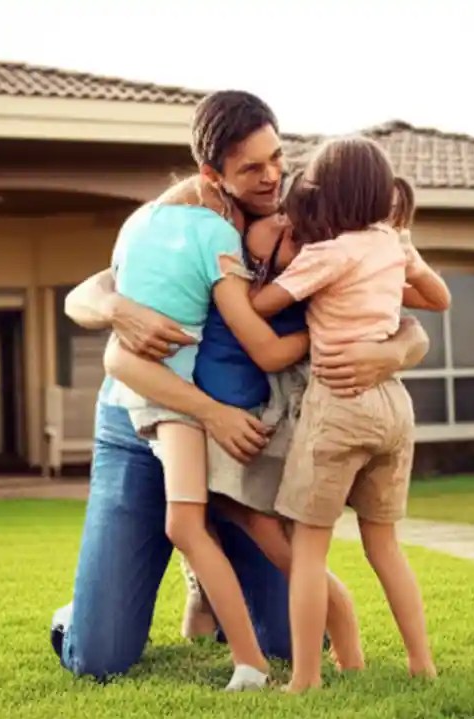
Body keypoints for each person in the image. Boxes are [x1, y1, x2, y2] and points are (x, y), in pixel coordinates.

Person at [49, 90, 433, 682]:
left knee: (284, 639)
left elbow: (396, 308)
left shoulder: (311, 209)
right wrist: (116, 308)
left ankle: (209, 576)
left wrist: (394, 352)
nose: (271, 176)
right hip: (149, 419)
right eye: (252, 168)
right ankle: (93, 606)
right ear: (213, 175)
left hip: (244, 432)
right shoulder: (188, 217)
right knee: (99, 657)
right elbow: (98, 309)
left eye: (276, 157)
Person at [101, 178, 368, 674]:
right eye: (280, 221)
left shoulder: (298, 288)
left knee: (264, 534)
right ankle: (208, 593)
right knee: (210, 516)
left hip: (250, 423)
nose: (285, 229)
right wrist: (114, 306)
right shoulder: (220, 248)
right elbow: (101, 301)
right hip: (186, 411)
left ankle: (339, 621)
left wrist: (322, 335)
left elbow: (281, 346)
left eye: (297, 233)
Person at [238, 137, 448, 692]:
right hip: (392, 405)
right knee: (385, 545)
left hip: (339, 402)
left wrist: (250, 277)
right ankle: (421, 663)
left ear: (327, 193)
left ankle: (305, 678)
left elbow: (261, 305)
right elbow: (438, 299)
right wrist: (405, 263)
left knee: (309, 549)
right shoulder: (390, 243)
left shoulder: (328, 254)